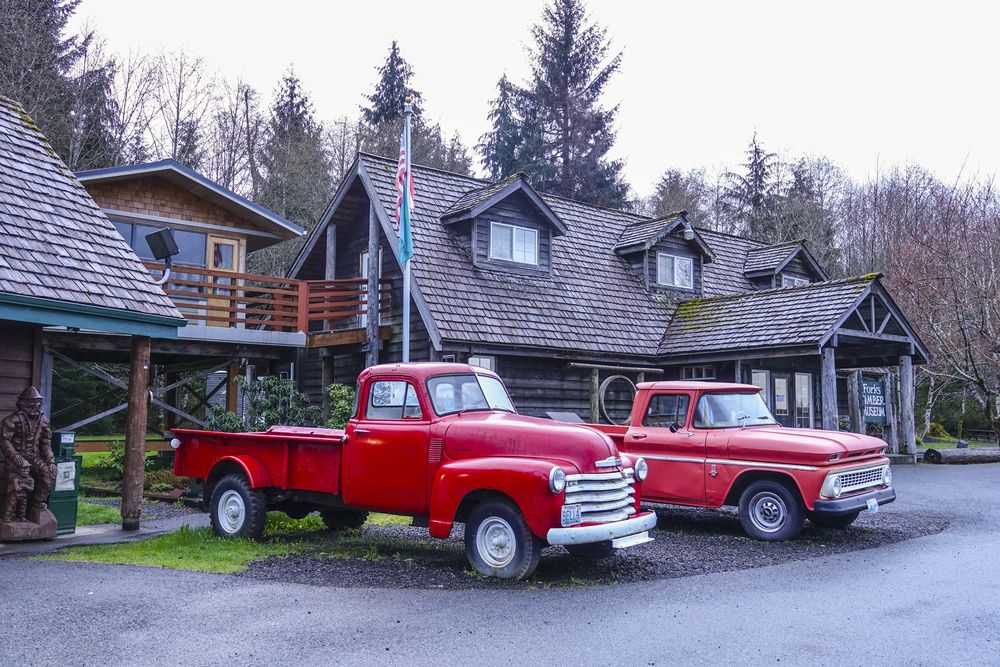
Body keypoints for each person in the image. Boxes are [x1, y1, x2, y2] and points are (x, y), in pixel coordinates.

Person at [1, 387, 55, 523]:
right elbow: (4, 440)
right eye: (32, 402)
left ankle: (38, 505)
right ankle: (8, 516)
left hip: (33, 456)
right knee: (14, 489)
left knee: (48, 473)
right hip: (16, 459)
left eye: (38, 402)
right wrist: (15, 456)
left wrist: (51, 461)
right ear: (23, 403)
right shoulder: (11, 420)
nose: (36, 406)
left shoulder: (44, 421)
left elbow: (46, 443)